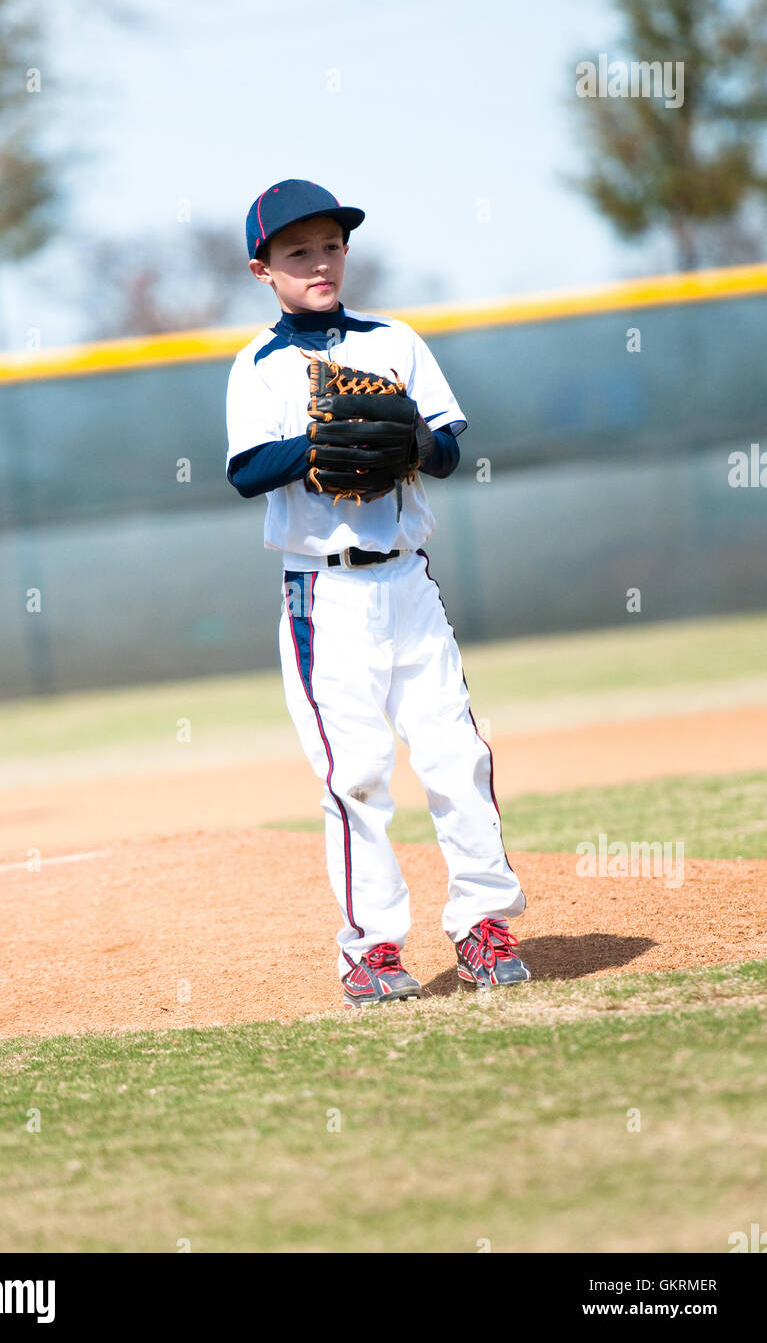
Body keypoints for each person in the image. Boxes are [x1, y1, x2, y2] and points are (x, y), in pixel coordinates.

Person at [225, 179, 528, 1009]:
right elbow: (247, 471)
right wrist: (319, 440)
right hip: (323, 597)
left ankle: (482, 925)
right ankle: (370, 949)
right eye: (296, 252)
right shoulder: (257, 366)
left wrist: (413, 437)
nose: (318, 263)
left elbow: (445, 451)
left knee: (455, 755)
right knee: (353, 775)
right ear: (264, 269)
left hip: (407, 580)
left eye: (329, 246)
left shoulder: (395, 341)